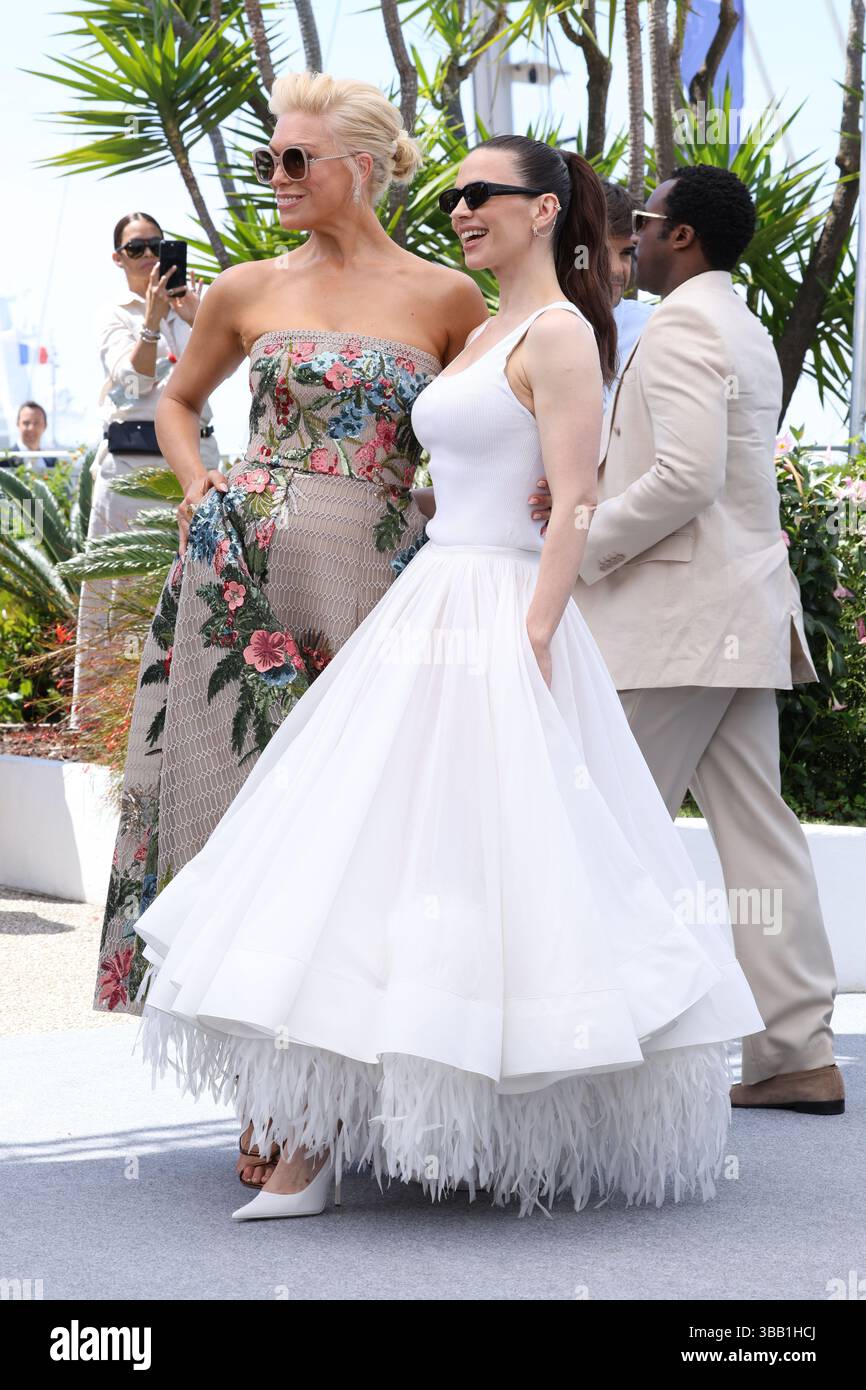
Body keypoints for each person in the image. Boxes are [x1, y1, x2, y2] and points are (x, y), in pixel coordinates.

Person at [131, 134, 764, 1221]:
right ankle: (315, 1131)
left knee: (489, 865)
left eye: (481, 194)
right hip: (427, 601)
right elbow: (466, 480)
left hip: (502, 618)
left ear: (545, 209)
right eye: (452, 195)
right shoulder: (484, 335)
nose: (460, 209)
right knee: (359, 848)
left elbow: (569, 500)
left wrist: (533, 630)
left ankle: (402, 1128)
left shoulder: (559, 332)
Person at [92, 72, 488, 1190]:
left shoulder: (446, 297)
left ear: (360, 165)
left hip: (378, 586)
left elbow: (479, 428)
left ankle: (341, 1087)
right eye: (269, 157)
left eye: (294, 160)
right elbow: (174, 401)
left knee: (356, 828)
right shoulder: (243, 288)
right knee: (239, 820)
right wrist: (201, 484)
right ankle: (266, 1094)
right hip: (241, 579)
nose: (274, 177)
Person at [531, 165, 842, 1116]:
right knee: (761, 843)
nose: (631, 233)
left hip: (675, 625)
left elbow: (683, 478)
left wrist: (577, 543)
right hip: (738, 618)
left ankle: (584, 1050)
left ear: (685, 238)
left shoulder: (683, 326)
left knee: (602, 826)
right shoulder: (738, 325)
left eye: (646, 221)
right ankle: (796, 1049)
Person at [70, 212, 218, 726]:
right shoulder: (114, 312)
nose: (150, 255)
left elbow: (227, 371)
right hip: (131, 465)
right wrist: (152, 322)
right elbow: (131, 389)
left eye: (157, 245)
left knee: (195, 580)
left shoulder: (195, 305)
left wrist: (199, 318)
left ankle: (190, 716)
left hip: (195, 459)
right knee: (121, 589)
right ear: (118, 258)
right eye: (136, 249)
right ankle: (102, 719)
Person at [599, 180, 655, 409]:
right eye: (600, 252)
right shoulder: (516, 333)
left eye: (626, 253)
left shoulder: (655, 329)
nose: (616, 268)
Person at [2, 401, 55, 472]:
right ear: (18, 424)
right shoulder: (3, 459)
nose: (31, 428)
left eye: (36, 423)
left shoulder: (52, 462)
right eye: (26, 423)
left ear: (45, 426)